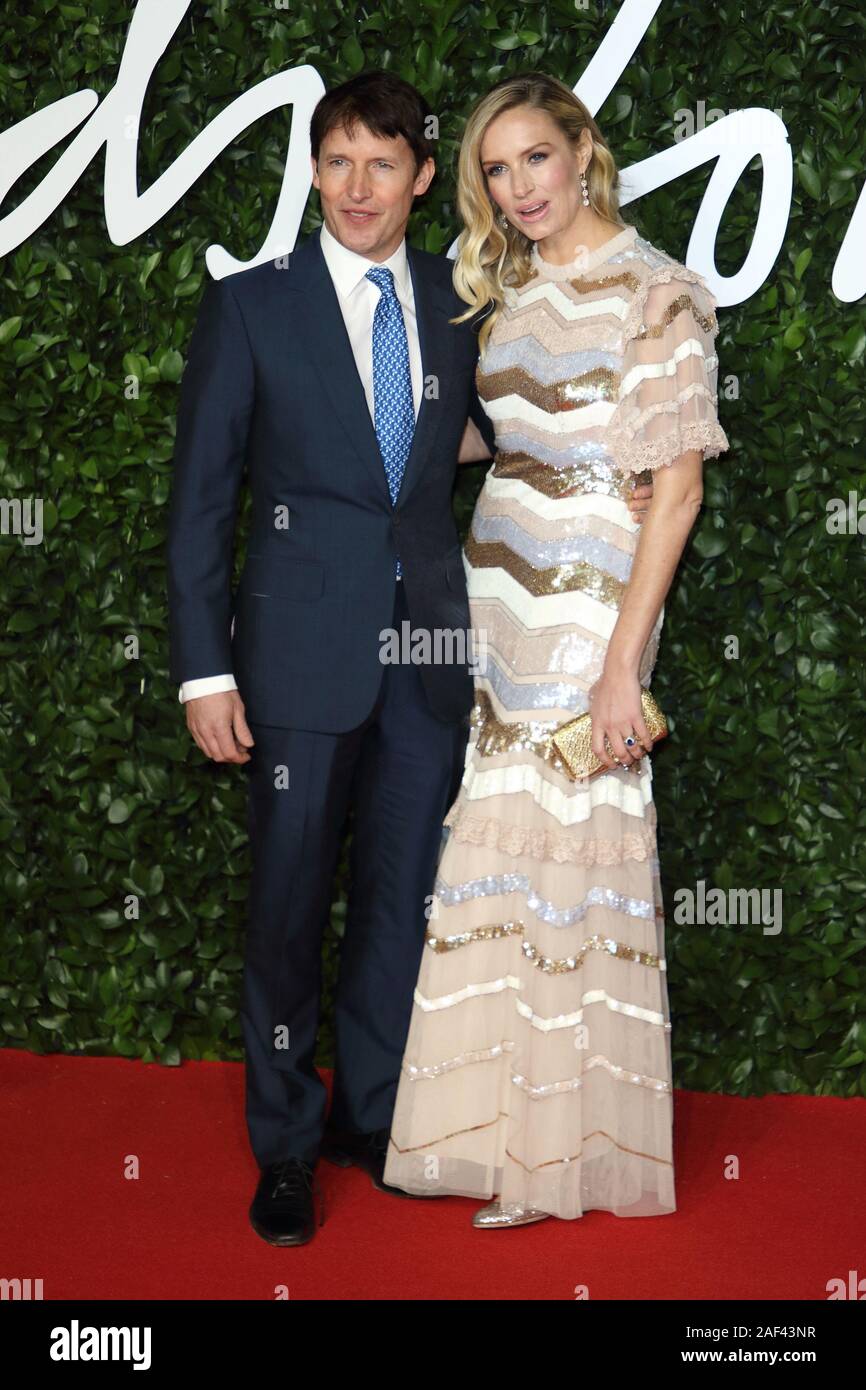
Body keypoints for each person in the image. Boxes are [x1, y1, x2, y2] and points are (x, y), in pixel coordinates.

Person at [167, 69, 653, 1247]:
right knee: (286, 905)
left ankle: (375, 1115)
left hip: (435, 650)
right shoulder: (251, 307)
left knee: (399, 903)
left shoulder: (457, 300)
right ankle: (284, 1145)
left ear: (422, 178)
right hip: (290, 661)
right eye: (335, 161)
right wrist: (203, 668)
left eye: (381, 164)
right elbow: (199, 503)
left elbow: (505, 427)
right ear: (315, 171)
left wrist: (613, 464)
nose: (355, 187)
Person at [384, 72, 729, 1226]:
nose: (516, 186)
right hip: (492, 589)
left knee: (564, 844)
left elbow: (673, 494)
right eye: (493, 168)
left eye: (534, 158)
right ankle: (484, 1132)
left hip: (591, 600)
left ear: (583, 153)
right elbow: (487, 439)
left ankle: (552, 1155)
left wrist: (623, 663)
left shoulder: (659, 293)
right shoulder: (511, 286)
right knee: (495, 847)